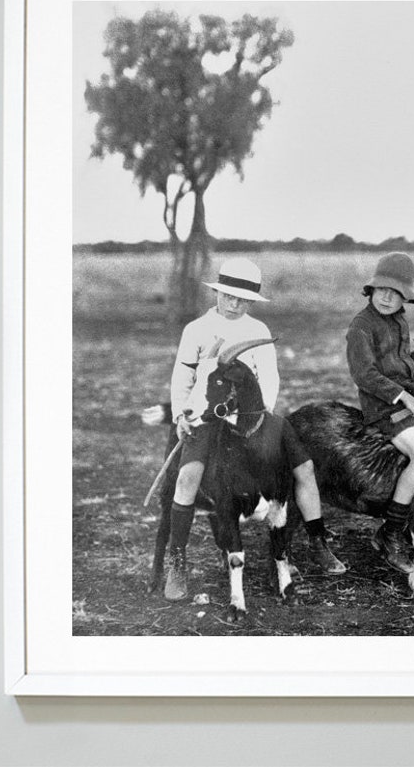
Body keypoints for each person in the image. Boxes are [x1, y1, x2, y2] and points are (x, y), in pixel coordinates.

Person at [163, 257, 345, 601]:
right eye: (228, 296)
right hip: (208, 417)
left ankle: (317, 541)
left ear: (251, 302)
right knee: (188, 478)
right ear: (217, 292)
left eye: (242, 300)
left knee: (303, 468)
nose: (234, 304)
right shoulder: (197, 330)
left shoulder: (258, 332)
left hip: (255, 418)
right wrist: (181, 416)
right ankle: (177, 559)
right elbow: (183, 379)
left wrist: (262, 419)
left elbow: (270, 378)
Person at [346, 252, 414, 572]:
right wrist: (401, 396)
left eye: (396, 292)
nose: (388, 297)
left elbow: (400, 362)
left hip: (411, 402)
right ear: (371, 290)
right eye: (382, 290)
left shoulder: (398, 321)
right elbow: (364, 373)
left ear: (405, 296)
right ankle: (391, 532)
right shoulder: (361, 326)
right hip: (383, 410)